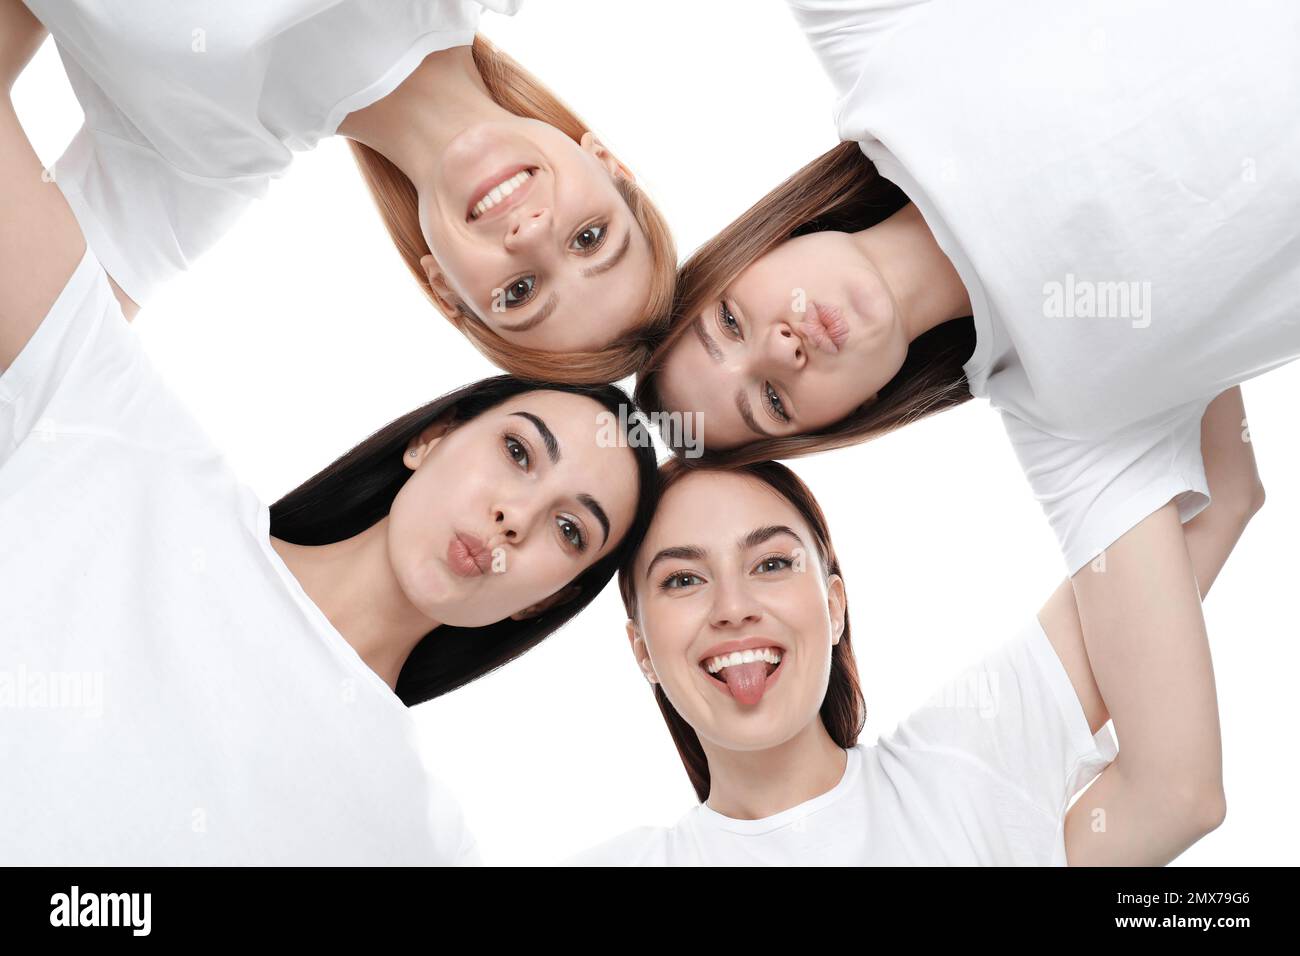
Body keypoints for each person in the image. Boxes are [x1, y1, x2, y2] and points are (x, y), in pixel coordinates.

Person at [0, 15, 660, 864]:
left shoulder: (411, 838)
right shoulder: (124, 440)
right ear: (433, 437)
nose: (513, 519)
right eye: (520, 453)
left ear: (547, 600)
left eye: (571, 531)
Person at [633, 1, 1297, 829]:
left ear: (756, 245)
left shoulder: (879, 44)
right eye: (770, 400)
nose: (780, 347)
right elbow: (1176, 798)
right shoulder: (1076, 428)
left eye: (730, 320)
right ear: (840, 418)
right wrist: (1183, 357)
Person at [567, 385, 1261, 864]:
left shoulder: (963, 769)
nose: (731, 606)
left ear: (834, 604)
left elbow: (1216, 501)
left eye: (772, 563)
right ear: (641, 649)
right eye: (684, 579)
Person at [16, 0, 676, 382]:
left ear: (447, 290)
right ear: (610, 162)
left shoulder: (206, 163)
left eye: (520, 293)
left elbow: (43, 363)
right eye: (590, 238)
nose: (531, 235)